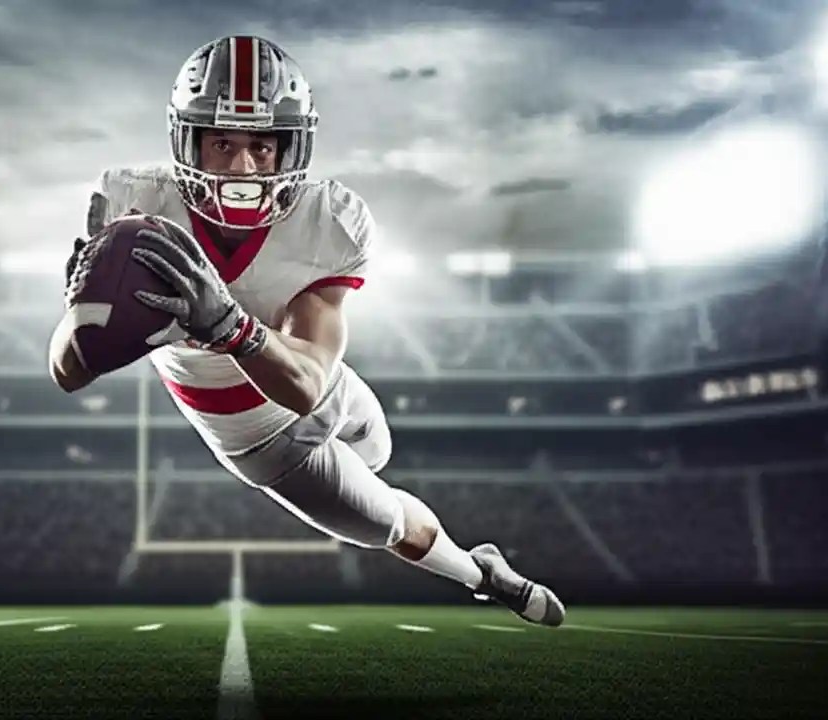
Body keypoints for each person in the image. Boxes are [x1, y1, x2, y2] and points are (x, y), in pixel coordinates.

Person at [49, 35, 564, 626]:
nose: (243, 167)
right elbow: (66, 372)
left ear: (292, 147)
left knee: (377, 450)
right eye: (221, 143)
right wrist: (85, 320)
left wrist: (224, 323)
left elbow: (308, 386)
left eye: (263, 146)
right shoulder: (132, 207)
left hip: (314, 378)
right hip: (257, 433)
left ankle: (462, 549)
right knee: (385, 523)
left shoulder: (328, 223)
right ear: (185, 140)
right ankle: (482, 573)